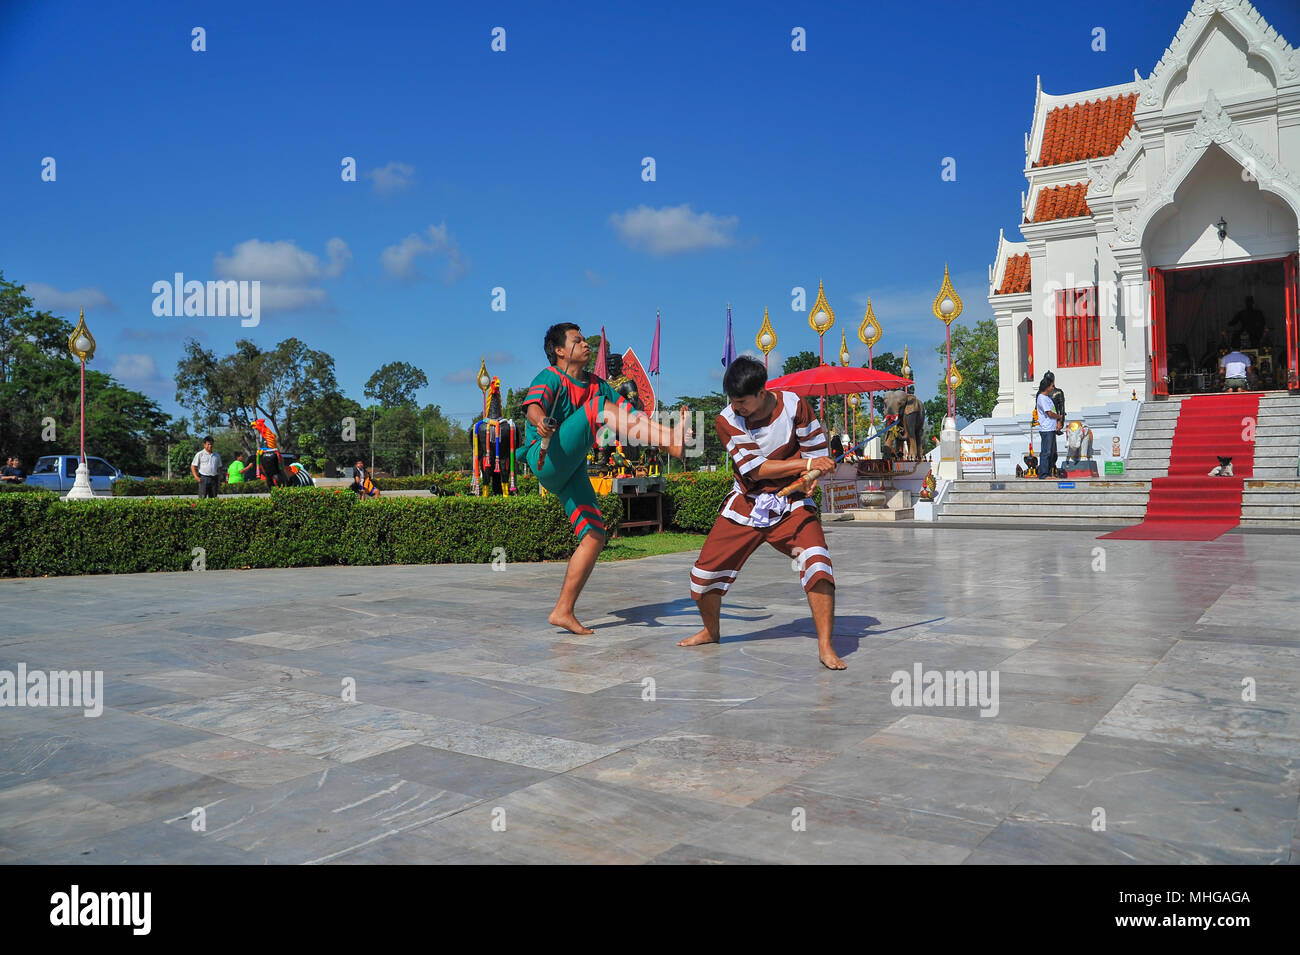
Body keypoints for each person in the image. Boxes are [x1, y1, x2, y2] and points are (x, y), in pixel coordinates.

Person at [678, 356, 844, 669]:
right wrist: (807, 465)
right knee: (704, 576)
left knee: (817, 562)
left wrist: (810, 478)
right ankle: (711, 631)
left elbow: (816, 451)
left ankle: (825, 646)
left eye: (742, 401)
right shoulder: (726, 420)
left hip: (792, 503)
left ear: (762, 392)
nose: (736, 406)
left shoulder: (796, 406)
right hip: (747, 502)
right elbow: (756, 469)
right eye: (732, 400)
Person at [521, 323, 688, 634]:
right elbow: (533, 407)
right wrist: (541, 420)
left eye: (585, 340)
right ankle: (671, 441)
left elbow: (630, 417)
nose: (586, 344)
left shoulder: (599, 385)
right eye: (578, 340)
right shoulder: (551, 377)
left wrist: (647, 421)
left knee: (595, 536)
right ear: (559, 351)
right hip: (545, 458)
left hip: (570, 470)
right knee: (597, 408)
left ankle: (563, 610)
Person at [1036, 375, 1063, 479]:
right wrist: (1059, 416)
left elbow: (1053, 411)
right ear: (1047, 387)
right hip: (1046, 429)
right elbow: (1050, 413)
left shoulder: (1048, 398)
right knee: (1046, 452)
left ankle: (1048, 472)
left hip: (1051, 428)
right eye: (1052, 386)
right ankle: (1043, 474)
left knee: (1051, 453)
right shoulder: (1041, 398)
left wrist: (1058, 422)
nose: (1053, 388)